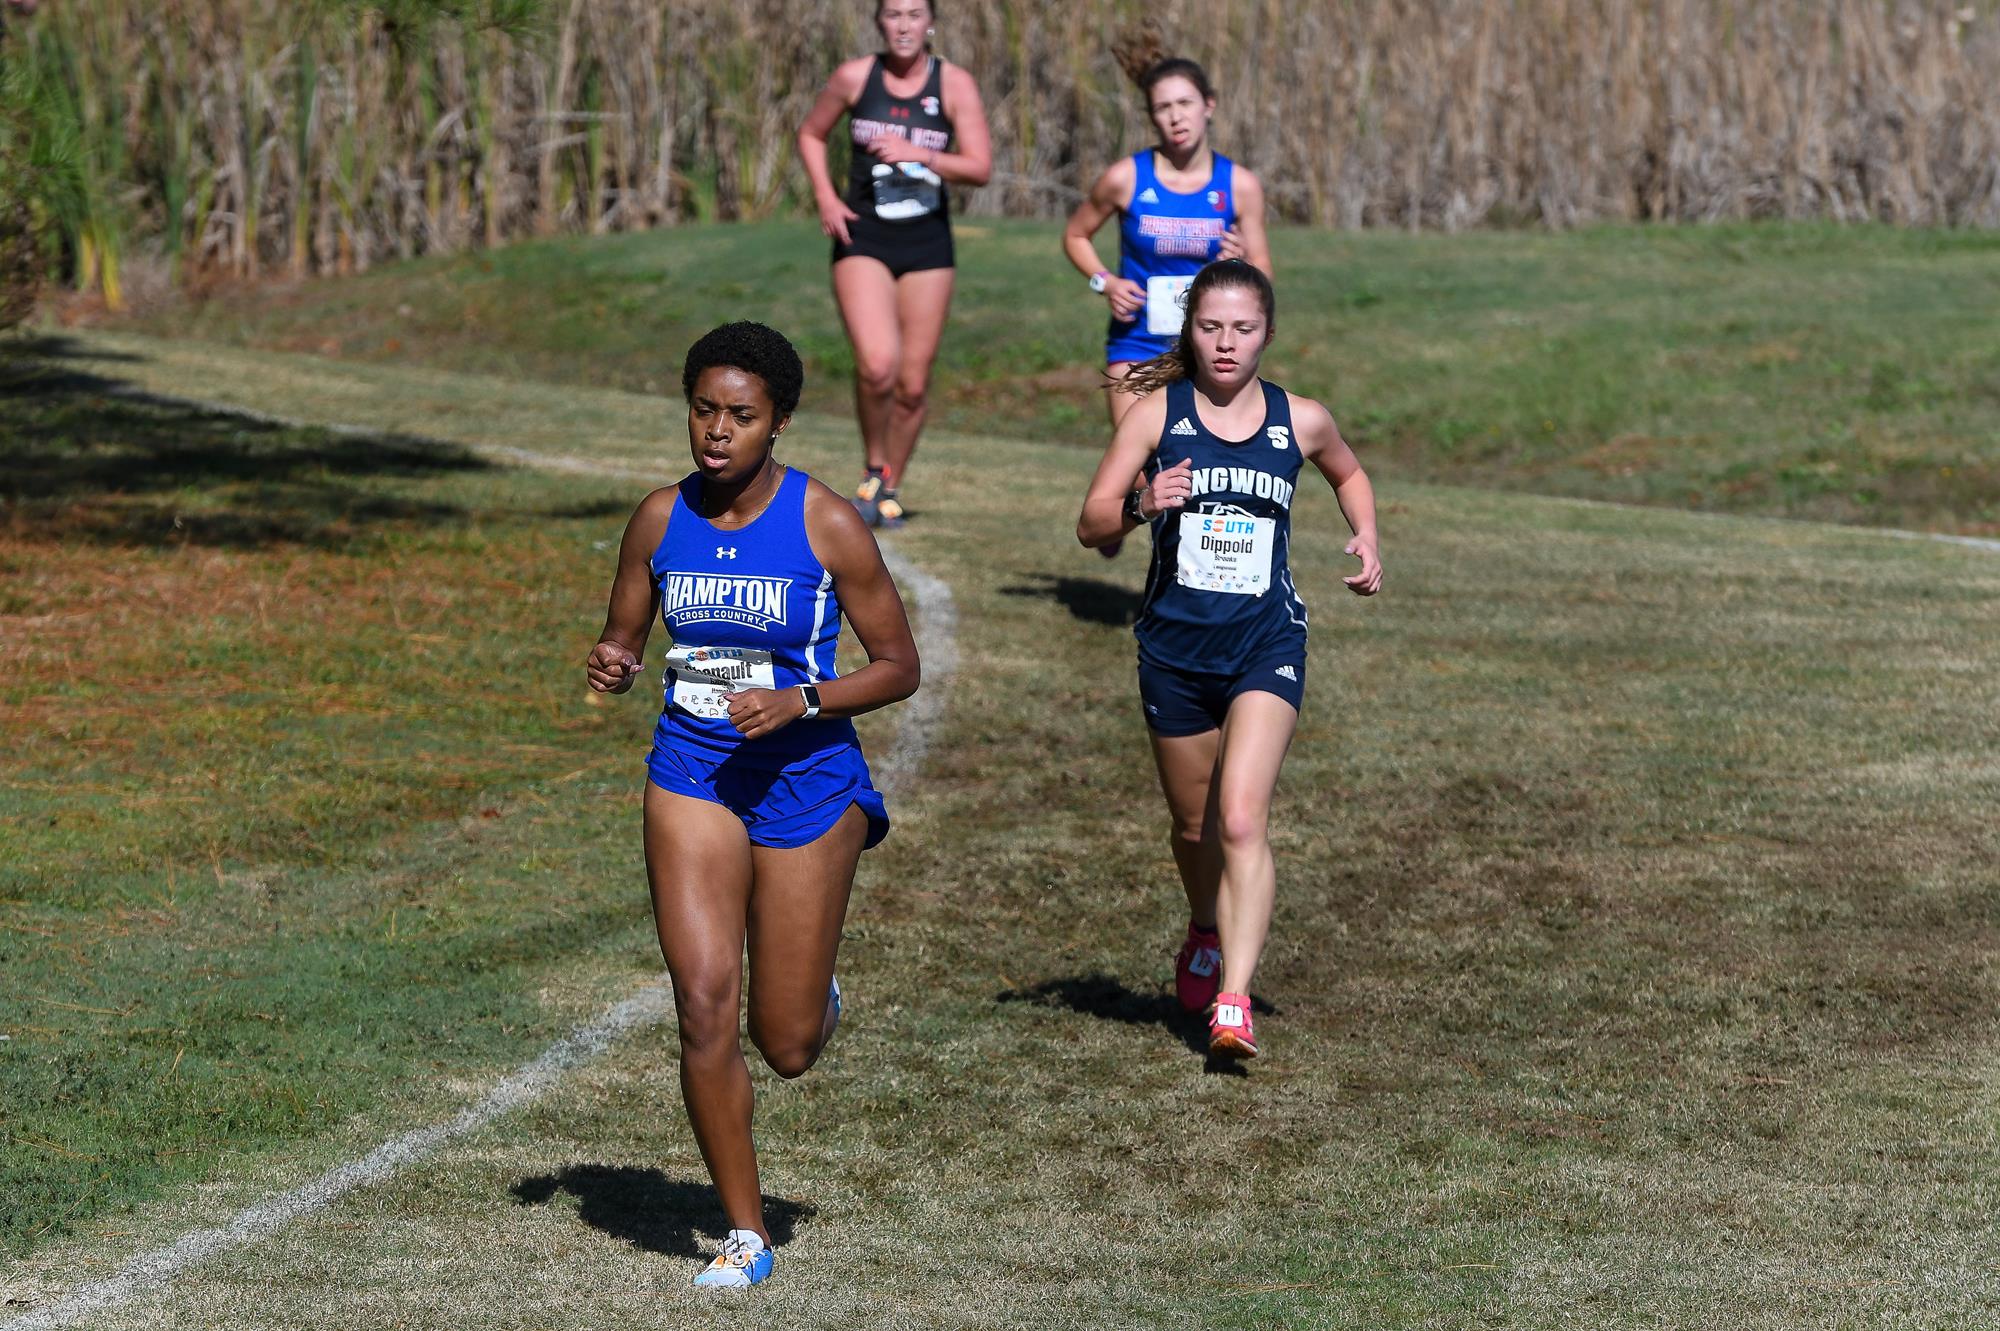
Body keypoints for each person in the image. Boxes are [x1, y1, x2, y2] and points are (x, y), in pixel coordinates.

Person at [586, 322, 920, 1286]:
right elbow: (624, 634)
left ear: (778, 423)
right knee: (702, 1003)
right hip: (691, 768)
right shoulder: (659, 519)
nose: (718, 431)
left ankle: (813, 997)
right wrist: (614, 659)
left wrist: (801, 699)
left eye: (742, 414)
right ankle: (745, 1234)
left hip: (804, 778)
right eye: (704, 409)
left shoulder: (826, 522)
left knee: (787, 1045)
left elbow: (900, 667)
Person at [1075, 260, 1381, 1059]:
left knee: (1241, 817)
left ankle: (1233, 1001)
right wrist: (1143, 503)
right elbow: (1091, 523)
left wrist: (1366, 533)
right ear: (1190, 330)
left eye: (1243, 329)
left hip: (1265, 643)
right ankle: (1204, 927)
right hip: (1173, 650)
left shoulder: (1300, 419)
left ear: (1266, 336)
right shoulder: (1154, 416)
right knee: (1191, 823)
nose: (1225, 343)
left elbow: (1348, 471)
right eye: (1210, 327)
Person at [1063, 37, 1270, 556]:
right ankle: (1112, 516)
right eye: (1162, 107)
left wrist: (1242, 258)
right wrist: (1105, 283)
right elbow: (1075, 236)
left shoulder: (1239, 185)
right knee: (1142, 463)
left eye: (1185, 104)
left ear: (1208, 106)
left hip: (1203, 352)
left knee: (1187, 469)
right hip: (1135, 345)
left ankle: (1187, 578)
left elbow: (1263, 275)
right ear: (1151, 116)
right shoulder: (1126, 178)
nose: (1175, 117)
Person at [797, 0, 992, 529]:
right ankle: (871, 466)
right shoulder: (856, 77)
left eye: (913, 14)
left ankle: (890, 486)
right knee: (877, 364)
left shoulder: (953, 84)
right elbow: (811, 134)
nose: (903, 25)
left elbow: (979, 167)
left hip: (927, 245)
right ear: (879, 22)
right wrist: (825, 195)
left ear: (930, 22)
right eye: (893, 14)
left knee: (911, 382)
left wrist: (918, 152)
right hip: (864, 236)